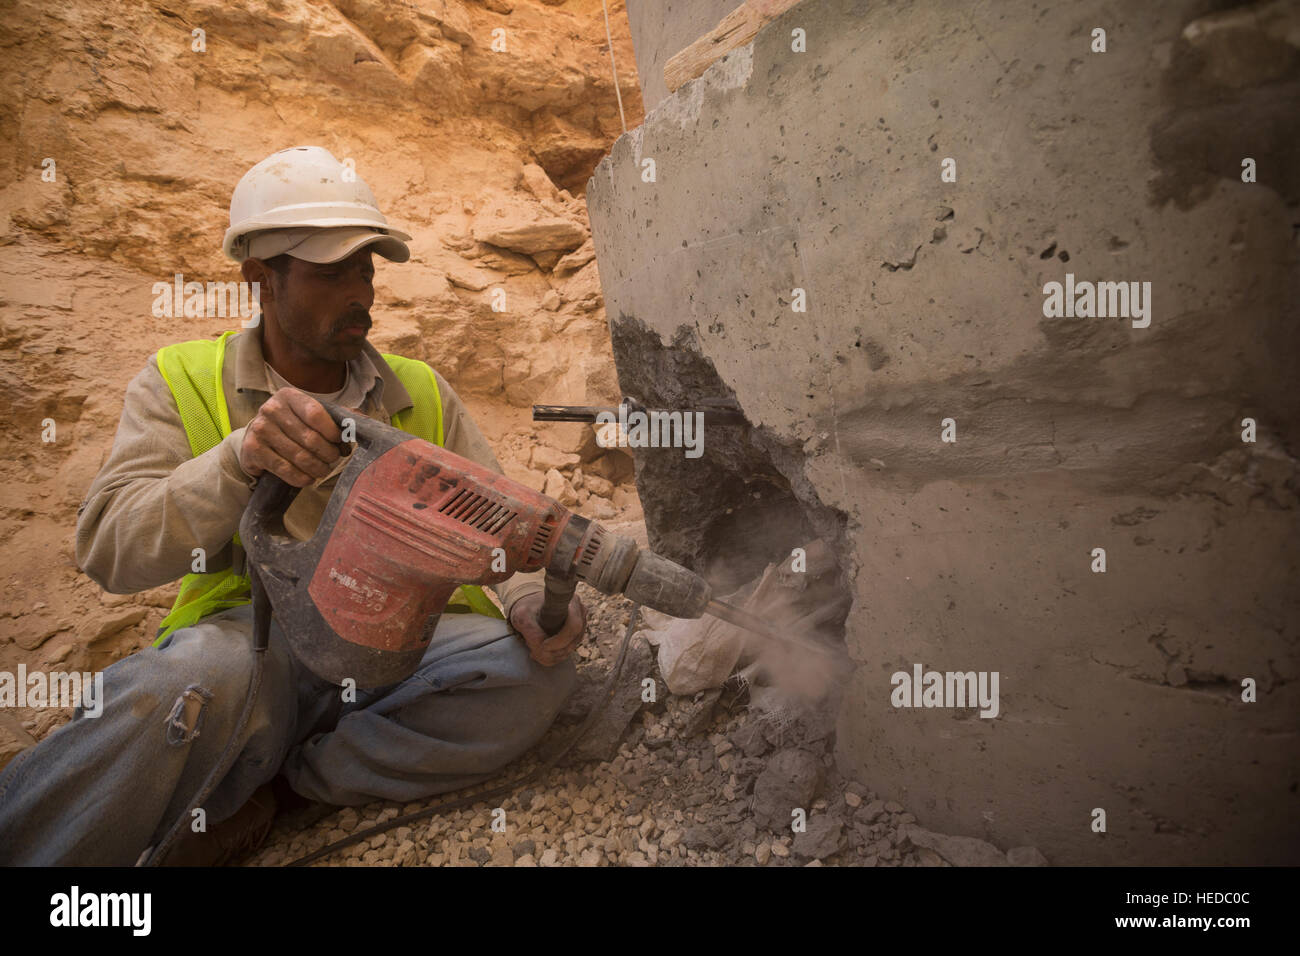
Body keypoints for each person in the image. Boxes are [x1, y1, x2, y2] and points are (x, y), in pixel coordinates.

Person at [0, 146, 583, 866]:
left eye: (365, 269)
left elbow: (507, 526)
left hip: (397, 646)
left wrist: (528, 598)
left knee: (528, 680)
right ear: (260, 278)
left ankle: (288, 791)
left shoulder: (420, 390)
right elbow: (109, 552)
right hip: (252, 651)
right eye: (331, 272)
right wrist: (237, 461)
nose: (360, 292)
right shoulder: (180, 379)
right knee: (169, 691)